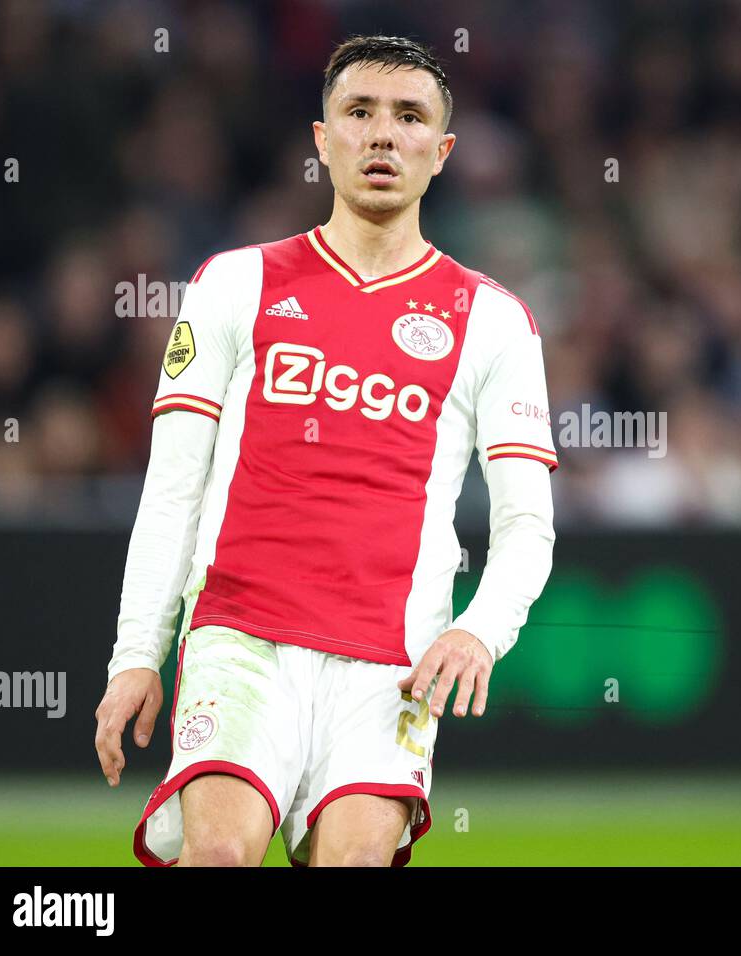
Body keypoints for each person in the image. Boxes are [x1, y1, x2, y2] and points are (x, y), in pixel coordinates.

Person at [92, 35, 558, 867]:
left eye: (409, 117)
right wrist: (136, 655)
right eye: (360, 113)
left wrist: (480, 631)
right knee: (221, 857)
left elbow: (528, 524)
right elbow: (172, 491)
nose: (383, 135)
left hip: (394, 662)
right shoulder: (234, 284)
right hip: (241, 636)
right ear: (322, 140)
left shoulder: (494, 320)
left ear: (440, 151)